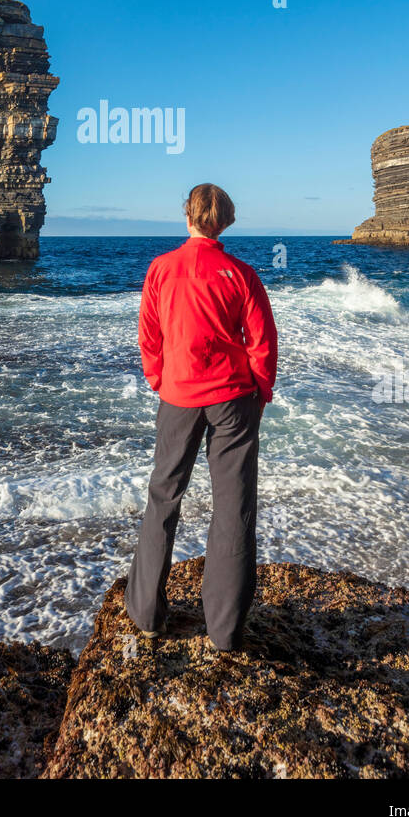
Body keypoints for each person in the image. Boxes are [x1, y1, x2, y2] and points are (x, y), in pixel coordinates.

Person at [125, 183, 278, 652]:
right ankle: (225, 631)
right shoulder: (240, 273)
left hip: (178, 396)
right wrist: (261, 391)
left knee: (164, 496)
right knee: (233, 507)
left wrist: (160, 380)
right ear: (226, 221)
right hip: (233, 398)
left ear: (187, 216)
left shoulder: (161, 269)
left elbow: (149, 336)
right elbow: (262, 342)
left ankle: (148, 615)